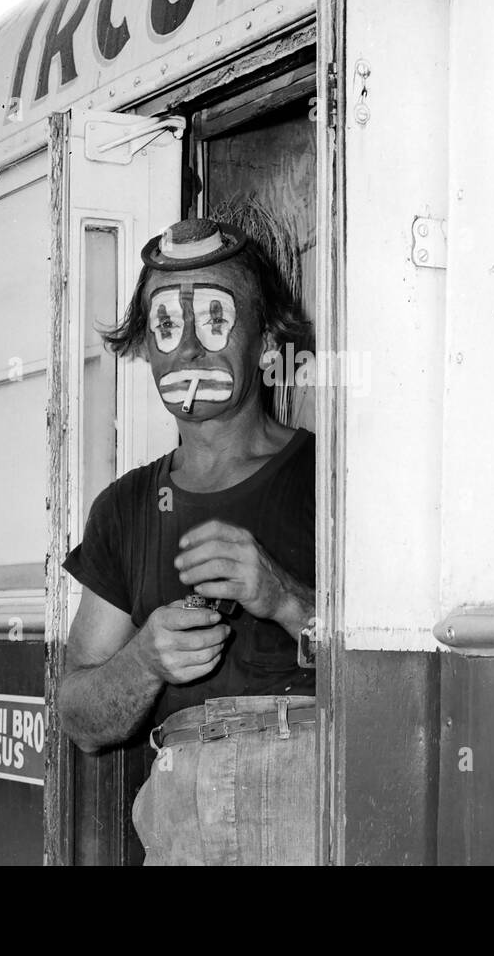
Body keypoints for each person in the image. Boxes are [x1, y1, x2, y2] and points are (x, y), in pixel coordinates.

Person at [59, 218, 317, 866]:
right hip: (180, 829)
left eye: (215, 321)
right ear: (147, 348)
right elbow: (81, 721)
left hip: (313, 817)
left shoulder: (339, 481)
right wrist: (144, 660)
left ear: (265, 343)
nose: (190, 351)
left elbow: (400, 681)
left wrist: (284, 598)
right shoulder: (124, 508)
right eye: (167, 328)